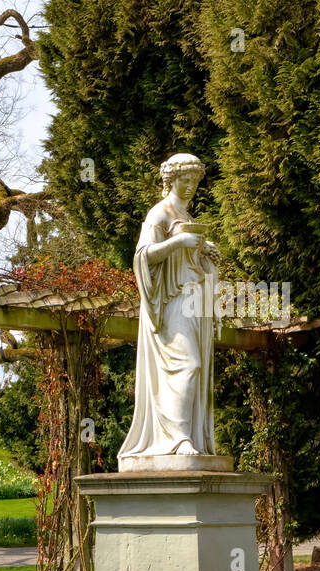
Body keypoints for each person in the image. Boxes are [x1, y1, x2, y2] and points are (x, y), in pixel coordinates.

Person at [118, 153, 223, 468]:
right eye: (184, 180)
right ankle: (178, 439)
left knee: (197, 367)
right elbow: (143, 257)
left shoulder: (186, 214)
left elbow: (190, 258)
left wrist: (205, 251)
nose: (190, 186)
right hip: (171, 300)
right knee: (187, 364)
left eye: (194, 181)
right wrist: (180, 243)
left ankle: (186, 436)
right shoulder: (159, 213)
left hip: (193, 297)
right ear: (170, 181)